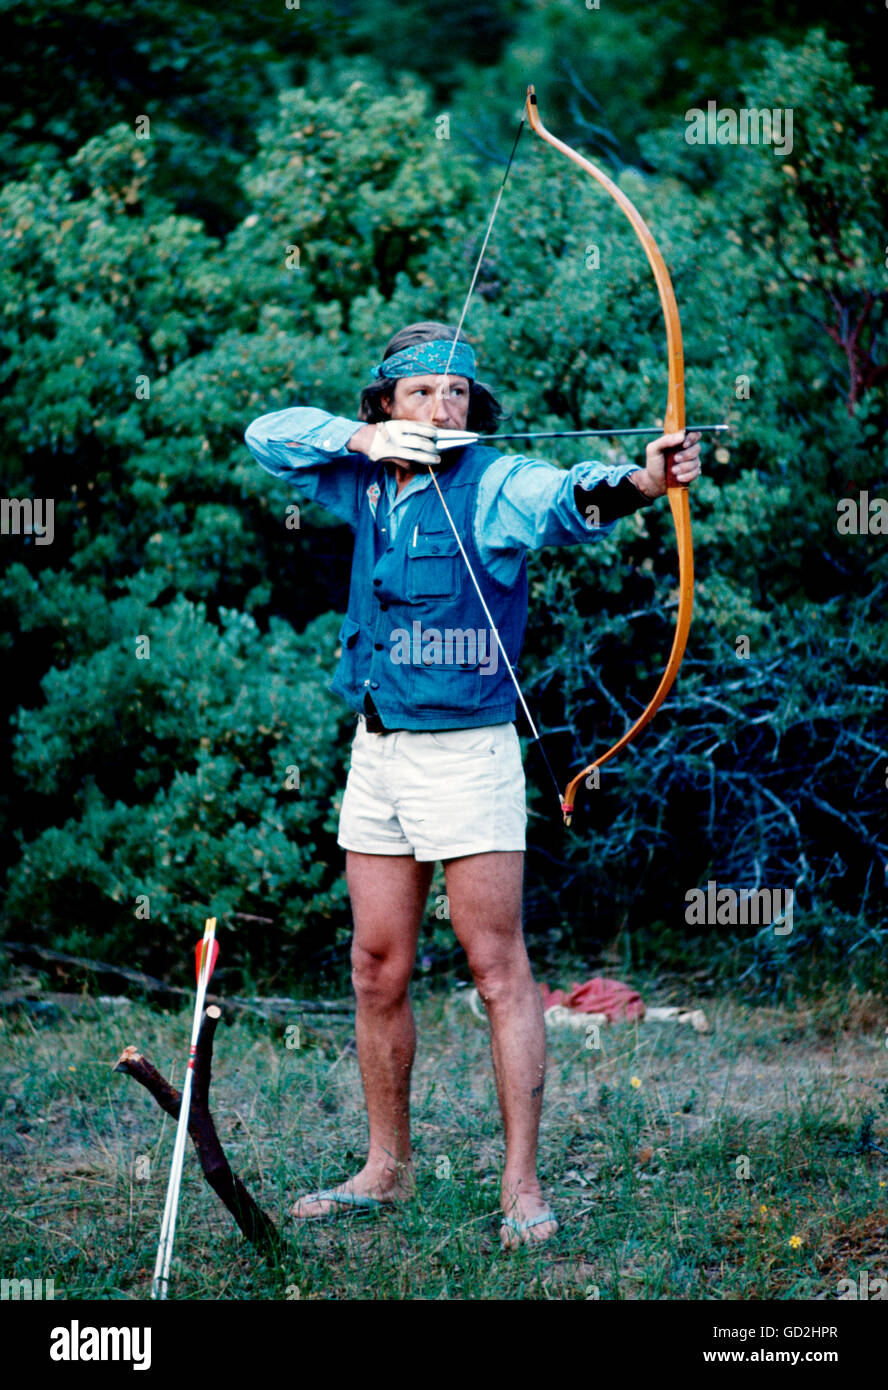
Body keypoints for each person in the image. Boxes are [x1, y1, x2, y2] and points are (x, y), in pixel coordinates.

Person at [244, 321, 702, 1247]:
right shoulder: (363, 474)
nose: (442, 407)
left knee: (499, 973)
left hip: (468, 753)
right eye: (420, 393)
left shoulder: (492, 483)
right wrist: (359, 437)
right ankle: (387, 1169)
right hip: (378, 751)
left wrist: (650, 478)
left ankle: (522, 1187)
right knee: (377, 966)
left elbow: (569, 496)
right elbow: (265, 436)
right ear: (386, 403)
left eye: (457, 393)